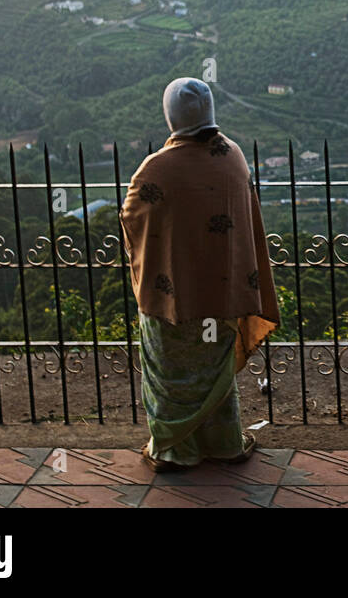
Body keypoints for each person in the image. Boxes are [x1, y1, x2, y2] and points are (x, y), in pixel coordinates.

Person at [120, 77, 280, 472]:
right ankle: (223, 442)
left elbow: (131, 217)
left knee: (173, 369)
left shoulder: (158, 168)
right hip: (223, 297)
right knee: (214, 370)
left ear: (170, 114)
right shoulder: (234, 156)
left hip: (174, 297)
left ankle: (177, 450)